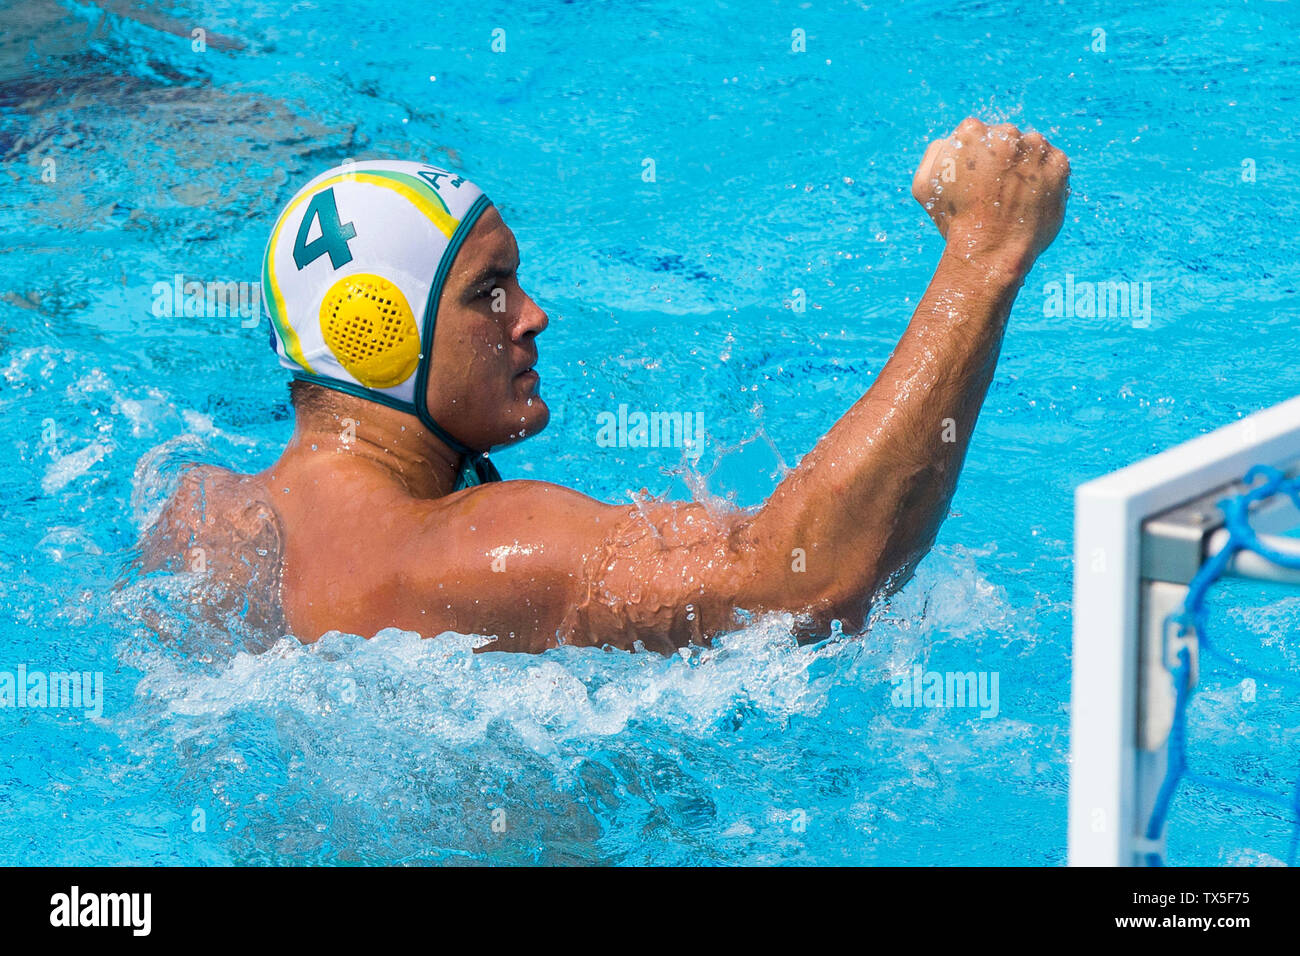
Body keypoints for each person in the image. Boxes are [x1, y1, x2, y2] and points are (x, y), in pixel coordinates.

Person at [138, 118, 1069, 654]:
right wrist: (983, 261)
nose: (531, 315)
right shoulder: (484, 547)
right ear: (376, 336)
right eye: (488, 293)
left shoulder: (201, 517)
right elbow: (805, 582)